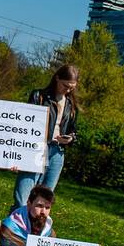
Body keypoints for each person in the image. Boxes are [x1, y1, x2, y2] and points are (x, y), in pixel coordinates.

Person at [13, 64, 79, 209]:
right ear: (57, 78)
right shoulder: (39, 96)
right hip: (36, 148)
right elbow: (26, 122)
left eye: (72, 87)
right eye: (65, 85)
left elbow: (74, 129)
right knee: (23, 196)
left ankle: (35, 228)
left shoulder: (71, 104)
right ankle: (14, 227)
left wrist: (70, 138)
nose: (68, 90)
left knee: (45, 199)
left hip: (57, 152)